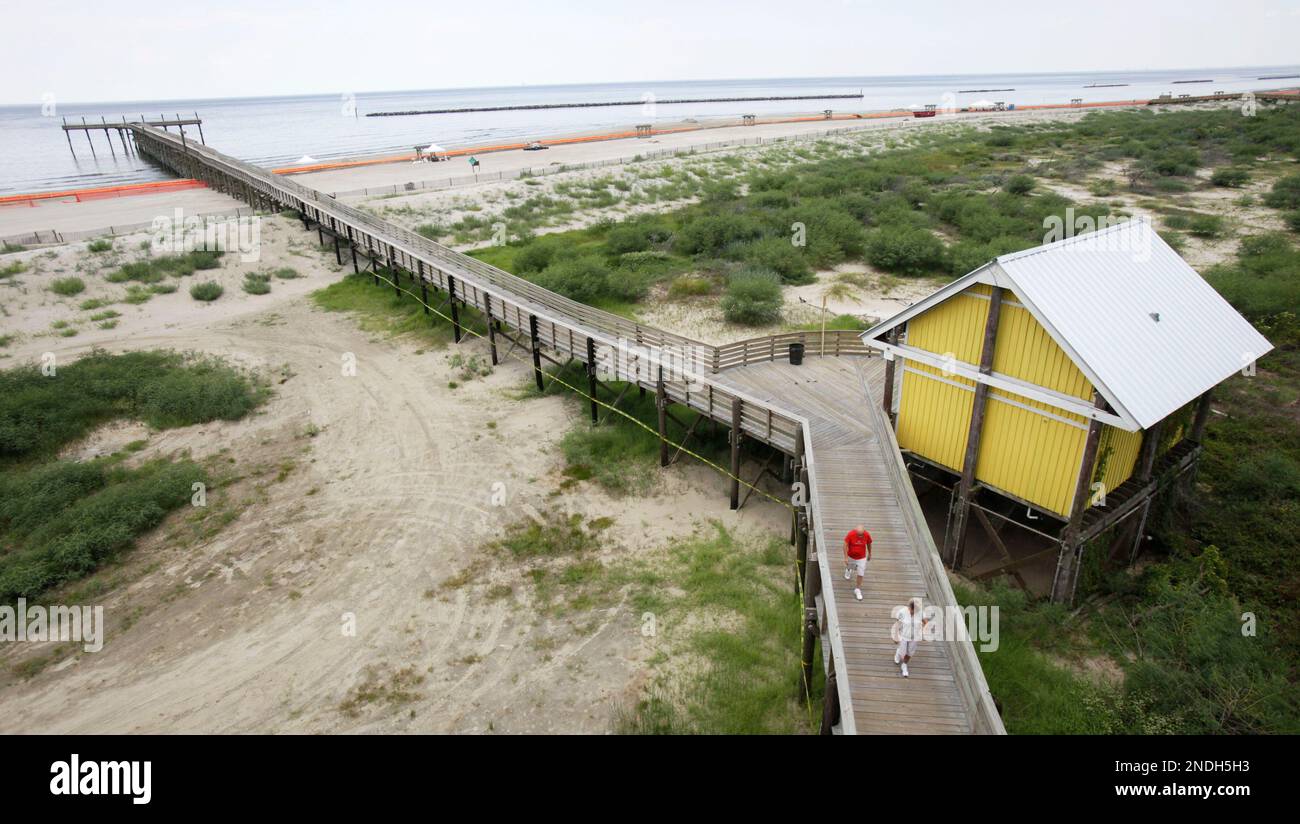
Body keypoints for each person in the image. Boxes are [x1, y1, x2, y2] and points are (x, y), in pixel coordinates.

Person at [894, 598, 929, 678]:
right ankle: (899, 652)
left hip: (915, 637)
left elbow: (926, 623)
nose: (912, 612)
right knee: (903, 653)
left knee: (910, 653)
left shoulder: (920, 613)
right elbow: (897, 624)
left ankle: (904, 665)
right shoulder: (902, 612)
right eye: (911, 609)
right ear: (909, 607)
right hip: (904, 635)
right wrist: (896, 636)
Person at [843, 525, 872, 601]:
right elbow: (845, 545)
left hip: (862, 557)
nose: (860, 536)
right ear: (856, 531)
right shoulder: (851, 534)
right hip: (851, 556)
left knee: (861, 573)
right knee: (851, 566)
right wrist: (846, 557)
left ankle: (857, 589)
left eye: (861, 535)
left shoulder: (867, 535)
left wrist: (870, 553)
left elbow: (869, 544)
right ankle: (848, 570)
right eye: (858, 535)